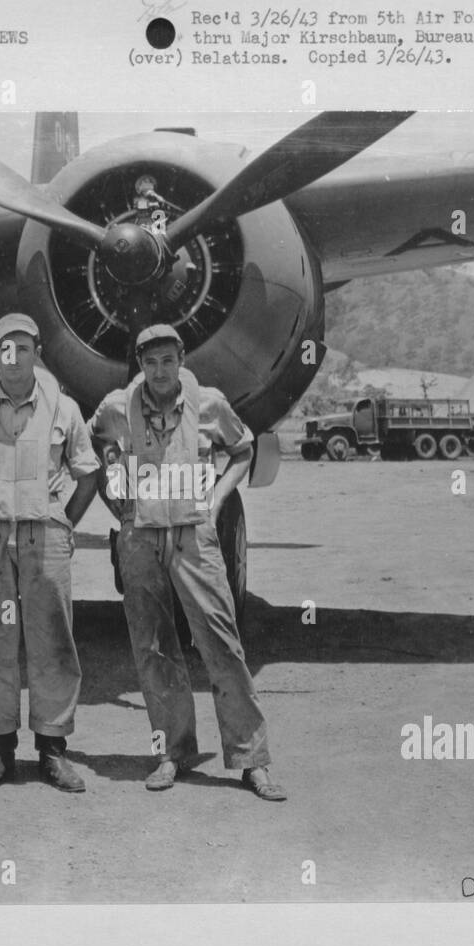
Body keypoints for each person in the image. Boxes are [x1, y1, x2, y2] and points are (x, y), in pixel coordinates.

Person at [89, 324, 287, 801]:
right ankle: (171, 752)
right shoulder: (117, 407)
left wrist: (217, 500)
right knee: (153, 647)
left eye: (167, 360)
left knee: (220, 642)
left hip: (192, 536)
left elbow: (242, 450)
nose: (159, 371)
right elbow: (96, 447)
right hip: (140, 537)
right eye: (150, 362)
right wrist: (117, 499)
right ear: (140, 364)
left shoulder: (210, 404)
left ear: (182, 360)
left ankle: (251, 760)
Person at [0, 314, 99, 792]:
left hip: (44, 539)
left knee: (53, 640)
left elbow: (87, 474)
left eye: (23, 348)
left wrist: (64, 522)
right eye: (4, 349)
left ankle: (52, 751)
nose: (13, 357)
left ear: (37, 353)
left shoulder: (64, 410)